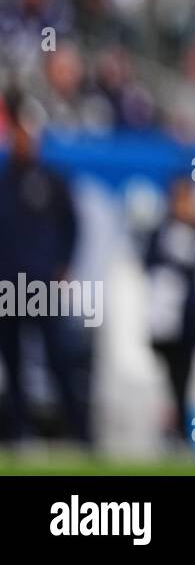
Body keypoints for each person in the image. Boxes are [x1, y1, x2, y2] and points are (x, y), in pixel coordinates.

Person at [0, 92, 88, 444]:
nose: (24, 141)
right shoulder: (3, 183)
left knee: (59, 358)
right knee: (14, 361)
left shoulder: (52, 181)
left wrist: (64, 264)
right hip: (7, 283)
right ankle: (19, 433)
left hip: (42, 285)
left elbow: (72, 226)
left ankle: (79, 432)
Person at [143, 177, 195, 447]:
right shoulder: (161, 234)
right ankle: (170, 430)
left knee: (188, 378)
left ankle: (188, 431)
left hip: (190, 321)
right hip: (164, 321)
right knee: (166, 378)